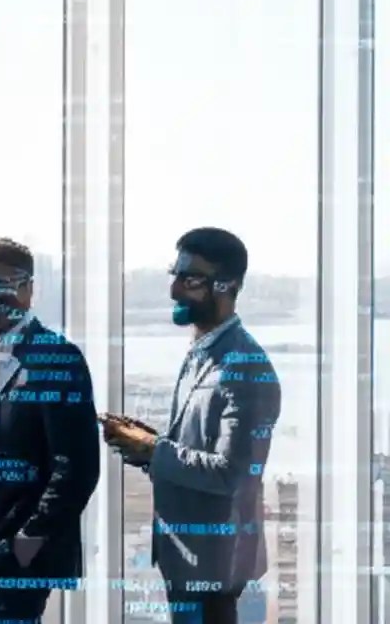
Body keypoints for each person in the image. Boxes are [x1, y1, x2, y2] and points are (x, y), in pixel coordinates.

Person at [101, 228, 281, 624]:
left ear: (227, 286)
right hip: (186, 556)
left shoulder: (244, 367)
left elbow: (231, 474)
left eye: (191, 279)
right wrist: (142, 446)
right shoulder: (203, 353)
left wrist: (152, 448)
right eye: (175, 274)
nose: (174, 290)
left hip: (215, 566)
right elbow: (194, 448)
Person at [0, 237, 99, 623]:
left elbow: (77, 465)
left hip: (15, 550)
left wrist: (29, 539)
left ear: (28, 289)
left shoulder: (56, 357)